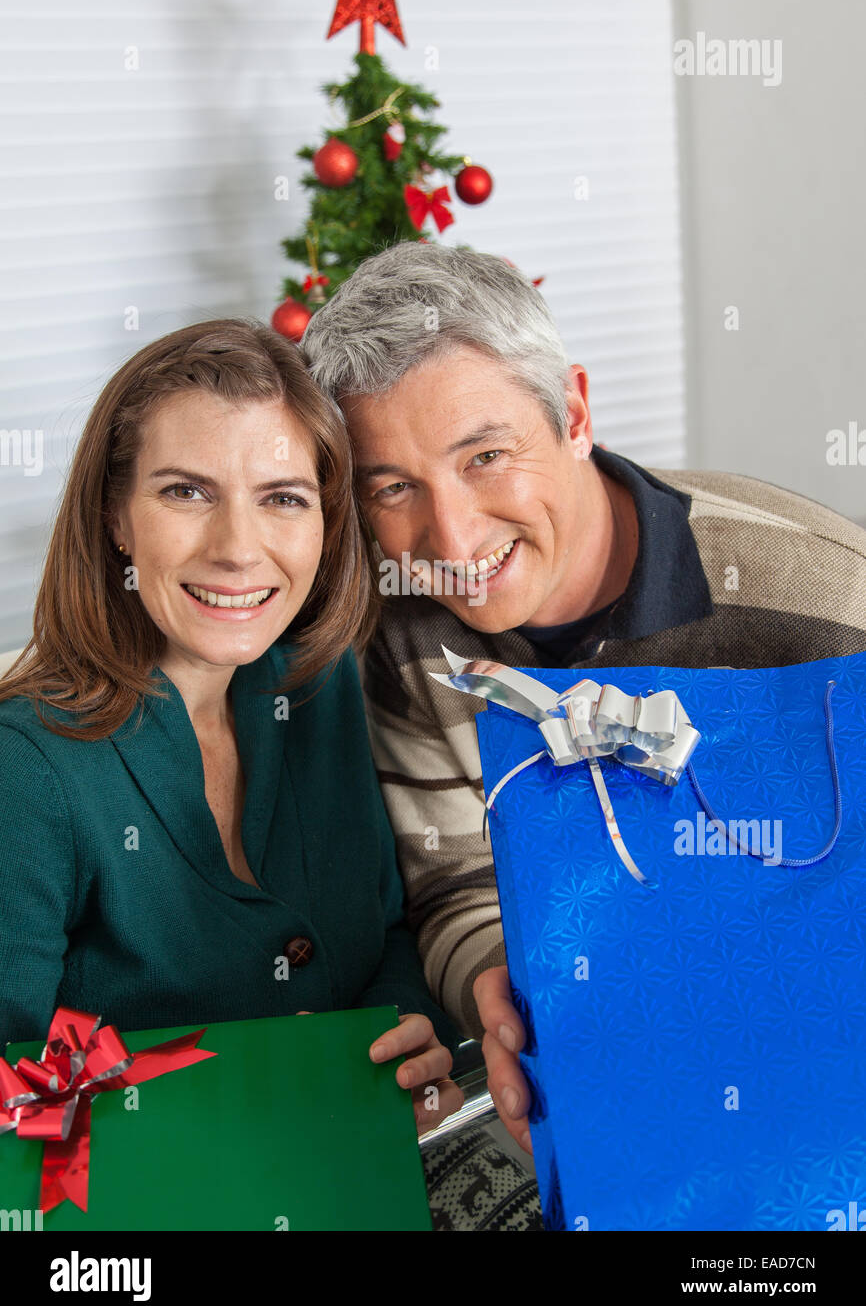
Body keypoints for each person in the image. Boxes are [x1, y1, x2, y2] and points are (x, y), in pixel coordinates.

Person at [300, 240, 866, 1159]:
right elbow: (454, 886)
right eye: (395, 487)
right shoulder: (397, 630)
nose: (451, 534)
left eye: (485, 455)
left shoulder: (828, 598)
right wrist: (497, 976)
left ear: (574, 413)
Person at [0, 318, 462, 1142]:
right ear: (116, 520)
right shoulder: (27, 769)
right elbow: (13, 1090)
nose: (238, 549)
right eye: (186, 492)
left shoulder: (321, 688)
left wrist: (407, 1035)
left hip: (358, 1158)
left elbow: (384, 934)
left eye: (282, 499)